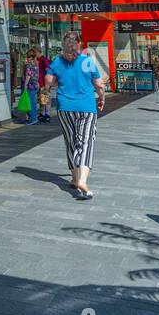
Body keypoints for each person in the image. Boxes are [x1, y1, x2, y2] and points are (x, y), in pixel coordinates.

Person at [44, 31, 105, 201]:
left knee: (71, 141)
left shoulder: (56, 62)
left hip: (65, 107)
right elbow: (99, 85)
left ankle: (74, 178)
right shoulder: (87, 61)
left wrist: (54, 84)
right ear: (79, 44)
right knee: (85, 141)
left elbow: (48, 83)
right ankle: (82, 180)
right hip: (86, 107)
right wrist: (102, 98)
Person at [21, 47, 41, 123]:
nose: (28, 58)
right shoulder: (36, 63)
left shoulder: (29, 64)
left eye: (29, 56)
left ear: (32, 57)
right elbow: (37, 74)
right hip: (35, 85)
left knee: (29, 102)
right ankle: (34, 117)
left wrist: (25, 85)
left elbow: (28, 76)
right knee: (33, 102)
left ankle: (32, 119)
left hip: (30, 85)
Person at [36, 48, 52, 122]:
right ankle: (43, 113)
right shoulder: (40, 59)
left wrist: (47, 81)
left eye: (35, 53)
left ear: (38, 52)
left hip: (44, 83)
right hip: (42, 82)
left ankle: (47, 114)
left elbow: (48, 69)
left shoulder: (43, 59)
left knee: (45, 98)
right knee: (42, 99)